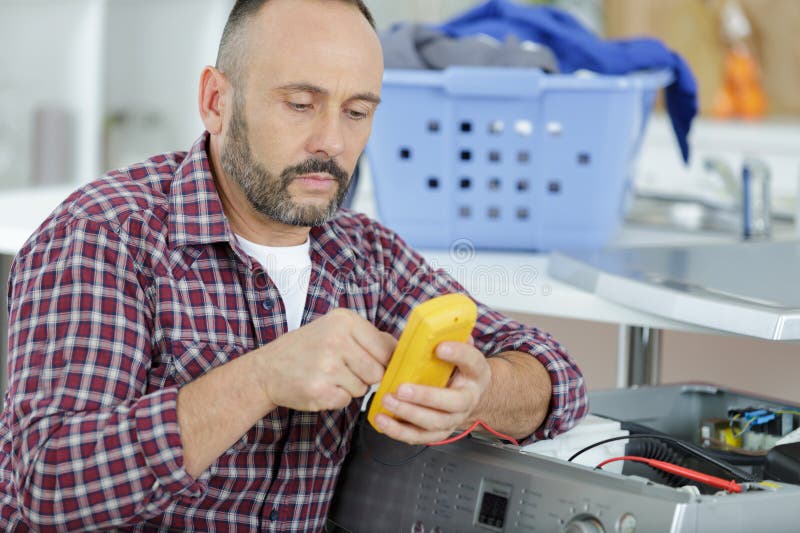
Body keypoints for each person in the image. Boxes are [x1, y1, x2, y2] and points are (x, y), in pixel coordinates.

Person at [0, 0, 588, 531]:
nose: (331, 140)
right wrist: (260, 379)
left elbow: (558, 377)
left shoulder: (366, 256)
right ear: (216, 102)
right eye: (301, 104)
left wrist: (479, 391)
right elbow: (45, 484)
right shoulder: (105, 235)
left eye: (357, 112)